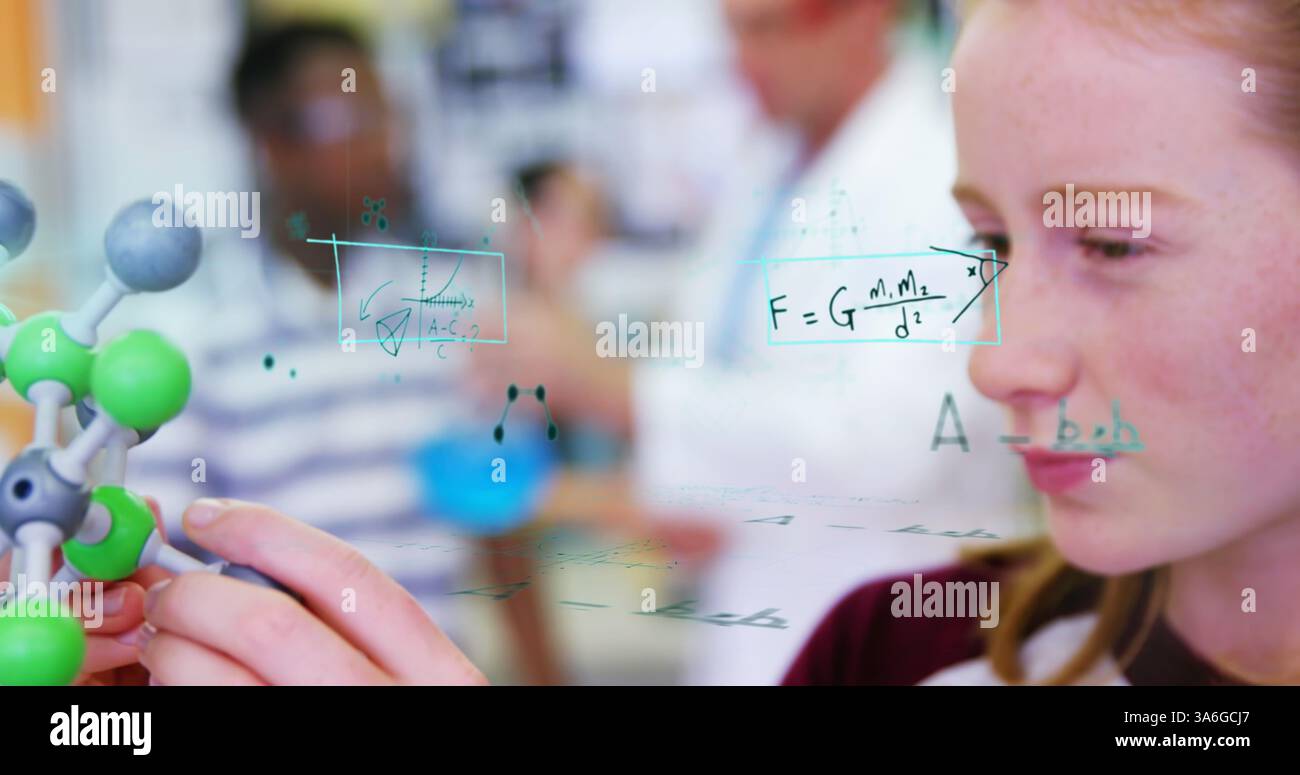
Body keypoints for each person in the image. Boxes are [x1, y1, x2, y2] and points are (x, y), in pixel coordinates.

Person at [135, 0, 1300, 687]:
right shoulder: (895, 649)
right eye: (988, 245)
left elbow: (875, 440)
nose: (996, 357)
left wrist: (617, 396)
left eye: (1110, 247)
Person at [471, 0, 1026, 684]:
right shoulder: (767, 167)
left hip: (897, 639)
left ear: (866, 16)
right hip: (759, 623)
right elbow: (725, 373)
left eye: (767, 29)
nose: (742, 63)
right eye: (732, 33)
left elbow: (888, 444)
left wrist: (623, 394)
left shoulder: (938, 181)